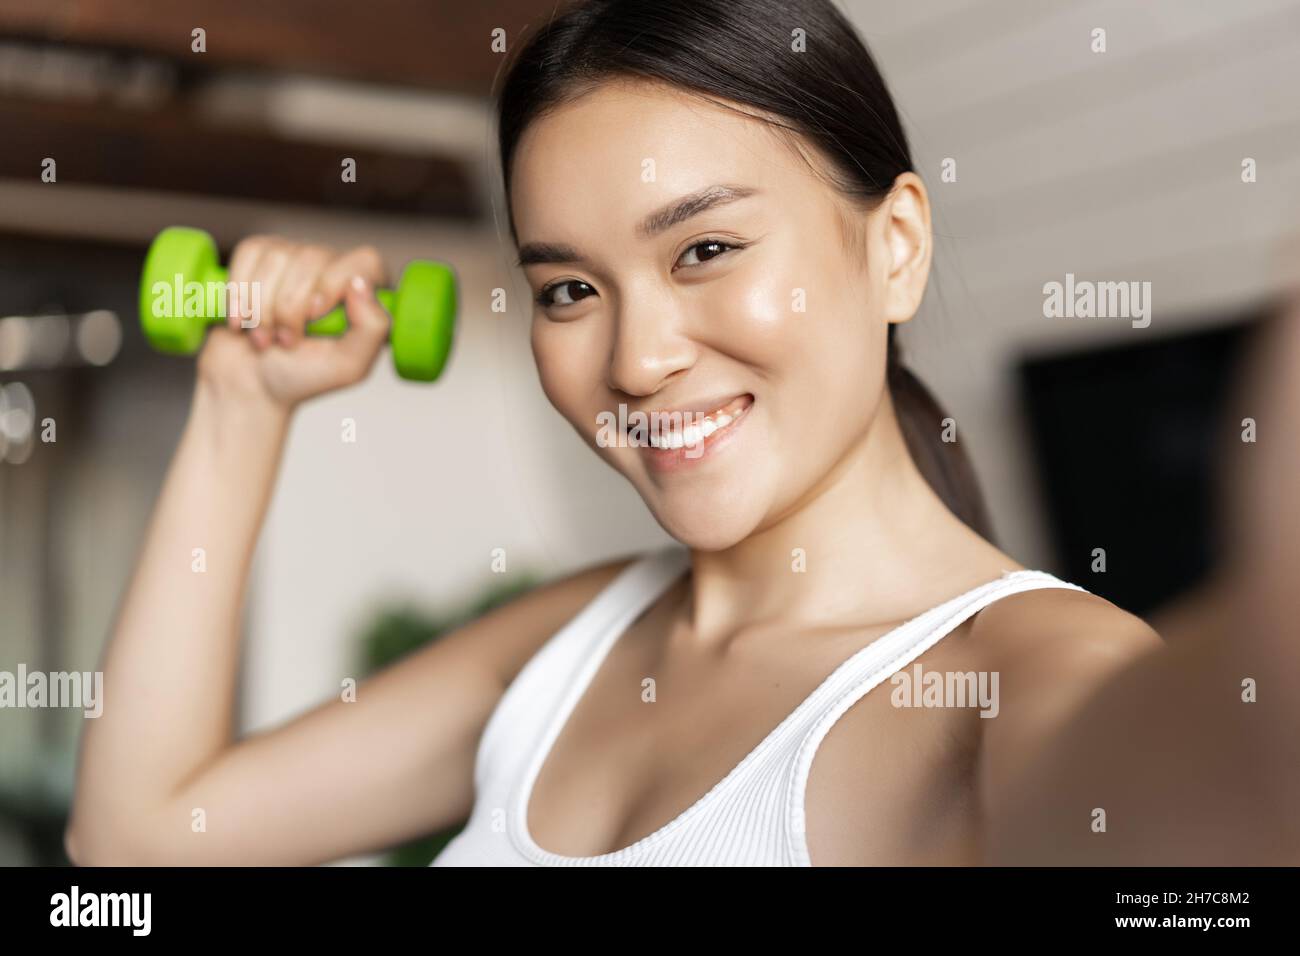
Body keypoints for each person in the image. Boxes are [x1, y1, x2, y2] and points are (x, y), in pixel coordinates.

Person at [65, 0, 1163, 866]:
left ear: (896, 247)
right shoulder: (569, 642)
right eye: (570, 290)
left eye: (705, 251)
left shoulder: (1042, 676)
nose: (636, 361)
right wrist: (243, 403)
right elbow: (142, 837)